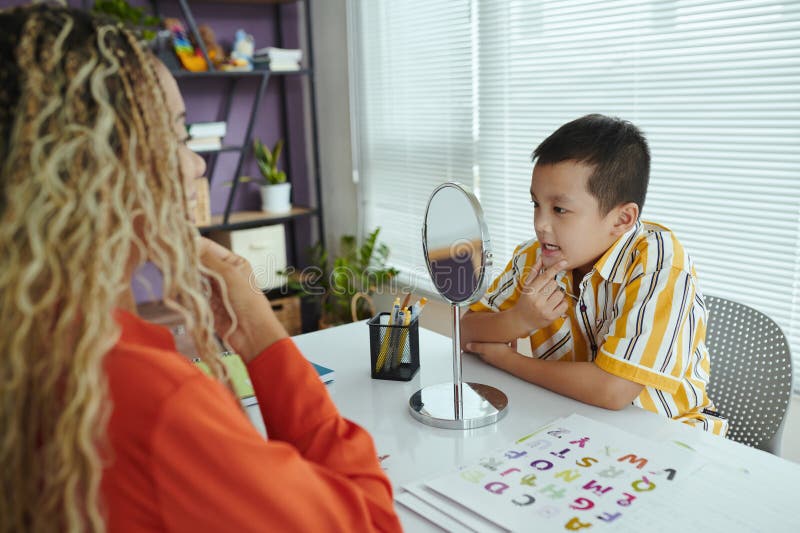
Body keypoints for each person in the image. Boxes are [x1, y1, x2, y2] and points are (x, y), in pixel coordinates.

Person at [0, 5, 401, 532]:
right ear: (95, 169)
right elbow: (370, 523)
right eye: (178, 134)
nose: (197, 164)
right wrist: (259, 329)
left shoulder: (33, 339)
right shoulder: (153, 399)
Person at [461, 114, 728, 436]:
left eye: (559, 210)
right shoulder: (535, 256)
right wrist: (521, 320)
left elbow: (612, 391)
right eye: (536, 204)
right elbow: (466, 334)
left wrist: (508, 360)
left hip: (668, 436)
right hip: (578, 423)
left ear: (622, 219)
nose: (541, 224)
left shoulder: (659, 265)